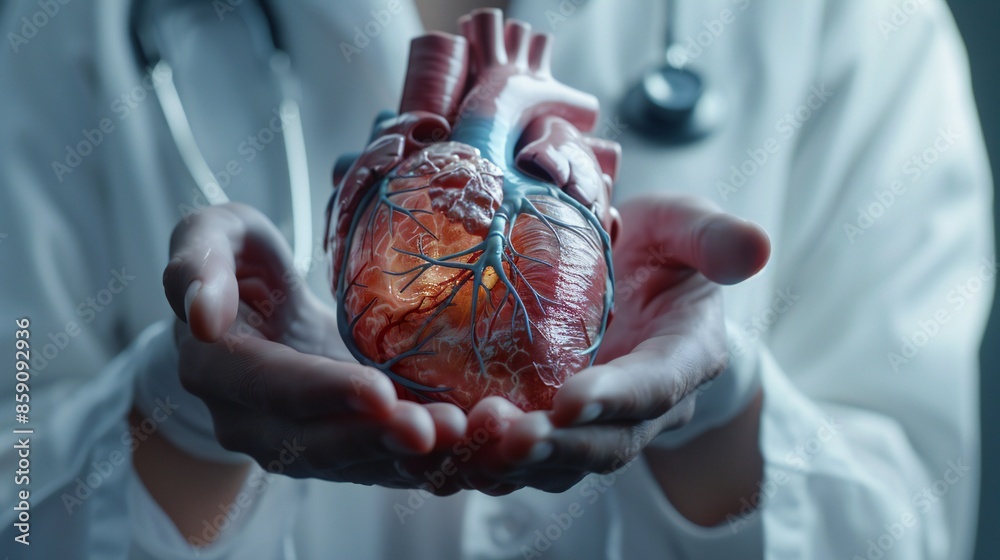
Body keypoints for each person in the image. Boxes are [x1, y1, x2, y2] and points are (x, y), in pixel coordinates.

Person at [0, 0, 992, 558]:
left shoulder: (861, 22)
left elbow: (914, 525)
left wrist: (718, 423)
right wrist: (176, 422)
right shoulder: (51, 27)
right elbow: (18, 507)